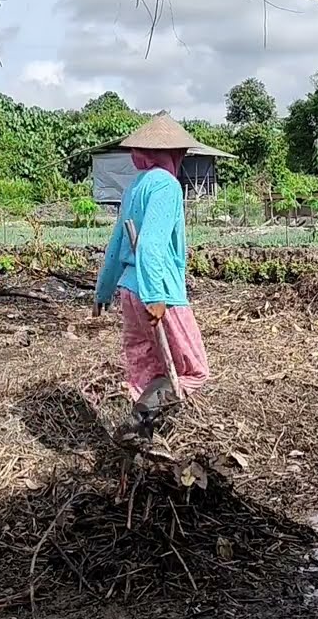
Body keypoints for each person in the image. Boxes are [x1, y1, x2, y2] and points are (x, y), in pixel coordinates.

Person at [94, 117, 210, 442]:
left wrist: (102, 292)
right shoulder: (167, 186)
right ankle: (141, 415)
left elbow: (118, 243)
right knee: (195, 371)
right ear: (173, 154)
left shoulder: (135, 187)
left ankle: (145, 439)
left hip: (128, 291)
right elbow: (150, 244)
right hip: (159, 293)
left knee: (148, 365)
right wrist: (156, 295)